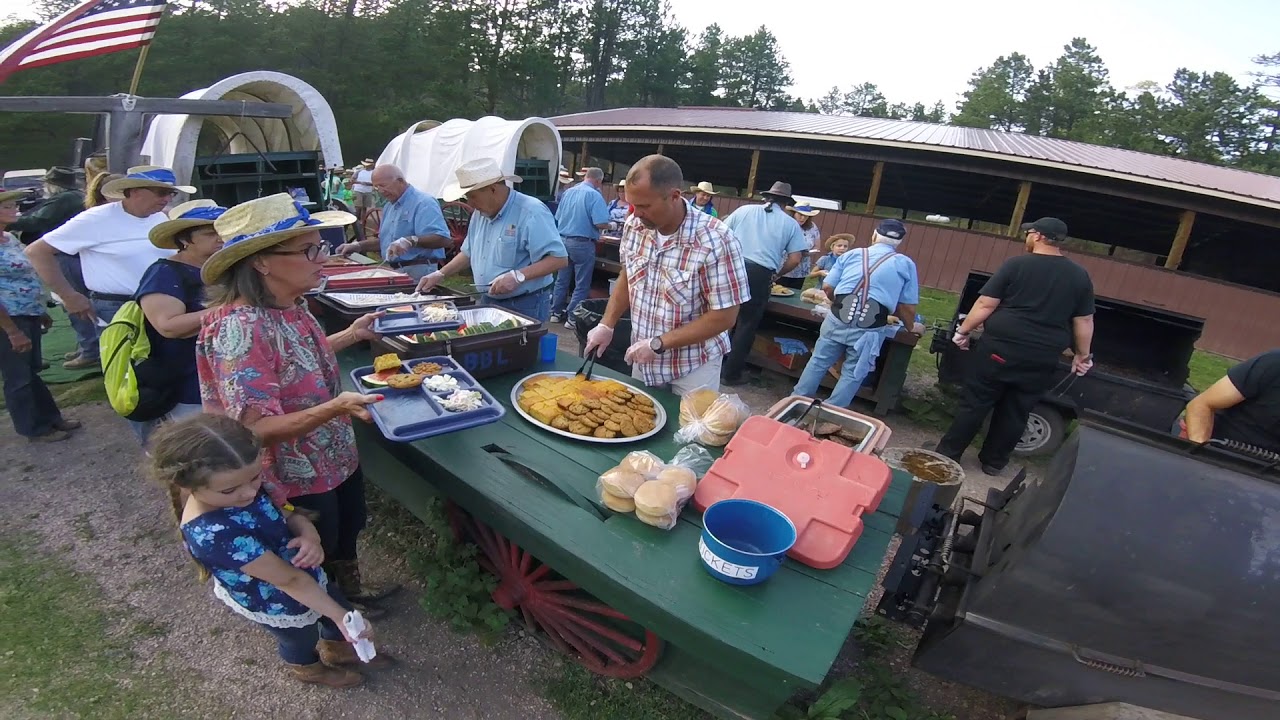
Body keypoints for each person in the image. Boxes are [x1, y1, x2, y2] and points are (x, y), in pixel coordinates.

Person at [197, 193, 398, 615]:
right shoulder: (242, 328)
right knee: (312, 547)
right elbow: (253, 428)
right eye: (310, 249)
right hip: (294, 471)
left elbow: (292, 363)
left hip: (329, 454)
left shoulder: (289, 307)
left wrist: (352, 335)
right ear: (262, 262)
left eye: (320, 246)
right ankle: (331, 629)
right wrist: (335, 408)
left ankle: (349, 596)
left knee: (345, 529)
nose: (321, 257)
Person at [148, 414, 393, 688]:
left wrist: (307, 532)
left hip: (302, 577)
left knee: (335, 606)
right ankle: (307, 667)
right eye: (230, 490)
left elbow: (282, 512)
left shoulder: (239, 482)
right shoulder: (213, 535)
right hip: (275, 598)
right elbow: (288, 580)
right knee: (298, 636)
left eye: (255, 478)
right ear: (187, 486)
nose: (249, 493)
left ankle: (339, 648)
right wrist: (342, 617)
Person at [936, 217, 1095, 475]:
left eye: (1029, 233)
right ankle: (993, 462)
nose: (1027, 237)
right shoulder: (1079, 275)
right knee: (1018, 409)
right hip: (1042, 356)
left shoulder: (1017, 265)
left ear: (1039, 236)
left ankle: (949, 453)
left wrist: (963, 331)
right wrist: (1082, 356)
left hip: (1000, 348)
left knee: (976, 402)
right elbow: (1085, 320)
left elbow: (986, 304)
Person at [583, 155, 747, 394]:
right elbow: (628, 276)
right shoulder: (635, 226)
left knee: (689, 430)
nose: (635, 213)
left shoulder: (716, 240)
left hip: (694, 366)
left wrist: (659, 343)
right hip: (643, 358)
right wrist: (606, 325)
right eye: (632, 205)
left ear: (674, 196)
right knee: (641, 423)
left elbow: (725, 317)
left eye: (644, 206)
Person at [25, 166, 184, 332]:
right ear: (135, 191)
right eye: (161, 193)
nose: (167, 199)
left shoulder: (165, 218)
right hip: (118, 307)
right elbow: (36, 252)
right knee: (125, 358)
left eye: (172, 193)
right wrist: (68, 296)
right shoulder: (95, 218)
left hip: (167, 302)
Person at [415, 159, 567, 322]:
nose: (471, 204)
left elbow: (559, 259)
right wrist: (440, 273)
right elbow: (468, 252)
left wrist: (518, 276)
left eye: (473, 197)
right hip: (488, 300)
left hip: (525, 303)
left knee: (520, 348)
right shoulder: (479, 214)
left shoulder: (531, 212)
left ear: (493, 189)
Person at [793, 219, 921, 408]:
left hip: (838, 316)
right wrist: (911, 326)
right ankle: (832, 411)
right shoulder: (905, 264)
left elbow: (828, 286)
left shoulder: (852, 255)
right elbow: (907, 307)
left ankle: (796, 402)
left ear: (874, 236)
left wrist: (835, 302)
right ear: (899, 242)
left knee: (818, 361)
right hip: (871, 326)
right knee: (853, 372)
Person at [128, 200, 226, 443]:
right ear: (185, 239)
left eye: (223, 230)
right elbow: (168, 326)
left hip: (222, 373)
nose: (220, 237)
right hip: (188, 380)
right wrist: (231, 309)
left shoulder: (223, 268)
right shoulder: (164, 272)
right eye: (209, 233)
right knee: (204, 445)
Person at [0, 190, 81, 442]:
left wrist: (39, 308)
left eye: (13, 203)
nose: (15, 208)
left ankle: (50, 418)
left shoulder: (9, 238)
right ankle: (33, 428)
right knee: (18, 376)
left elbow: (26, 275)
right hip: (8, 318)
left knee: (30, 371)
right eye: (7, 205)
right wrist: (12, 330)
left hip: (27, 312)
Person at [719, 181, 809, 386]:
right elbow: (796, 258)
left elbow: (720, 235)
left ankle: (710, 365)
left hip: (732, 267)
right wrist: (777, 274)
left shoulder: (744, 210)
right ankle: (730, 374)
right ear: (786, 203)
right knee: (746, 324)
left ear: (766, 197)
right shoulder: (790, 223)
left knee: (720, 316)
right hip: (759, 273)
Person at [8, 167, 97, 368]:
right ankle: (89, 345)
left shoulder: (65, 199)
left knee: (72, 300)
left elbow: (38, 220)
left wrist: (10, 222)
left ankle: (90, 349)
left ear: (53, 184)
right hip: (71, 253)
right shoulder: (74, 196)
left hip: (64, 253)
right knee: (77, 299)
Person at [334, 164, 450, 281]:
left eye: (383, 185)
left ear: (400, 181)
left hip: (419, 271)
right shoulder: (389, 206)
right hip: (395, 271)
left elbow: (443, 240)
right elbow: (386, 242)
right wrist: (358, 246)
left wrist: (411, 241)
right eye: (376, 187)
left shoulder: (424, 203)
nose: (380, 191)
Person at [1183, 350, 1280, 454]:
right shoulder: (1273, 364)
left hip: (1268, 464)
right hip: (1219, 452)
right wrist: (1199, 452)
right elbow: (1201, 405)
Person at [550, 167, 610, 327]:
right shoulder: (595, 195)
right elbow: (600, 222)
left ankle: (555, 313)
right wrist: (611, 225)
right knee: (581, 283)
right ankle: (572, 318)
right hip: (582, 243)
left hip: (562, 240)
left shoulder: (569, 192)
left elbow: (558, 217)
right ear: (598, 180)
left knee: (562, 280)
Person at [778, 203, 822, 289]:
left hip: (801, 269)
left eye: (806, 216)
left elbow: (817, 246)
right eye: (800, 215)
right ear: (793, 213)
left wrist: (809, 253)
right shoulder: (785, 224)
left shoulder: (812, 227)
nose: (803, 218)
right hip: (783, 266)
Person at [351, 158, 376, 226]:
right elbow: (352, 180)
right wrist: (360, 182)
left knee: (365, 207)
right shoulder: (359, 171)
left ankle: (362, 220)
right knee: (358, 206)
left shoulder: (374, 173)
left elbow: (375, 182)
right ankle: (356, 220)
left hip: (368, 190)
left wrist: (368, 184)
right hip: (358, 189)